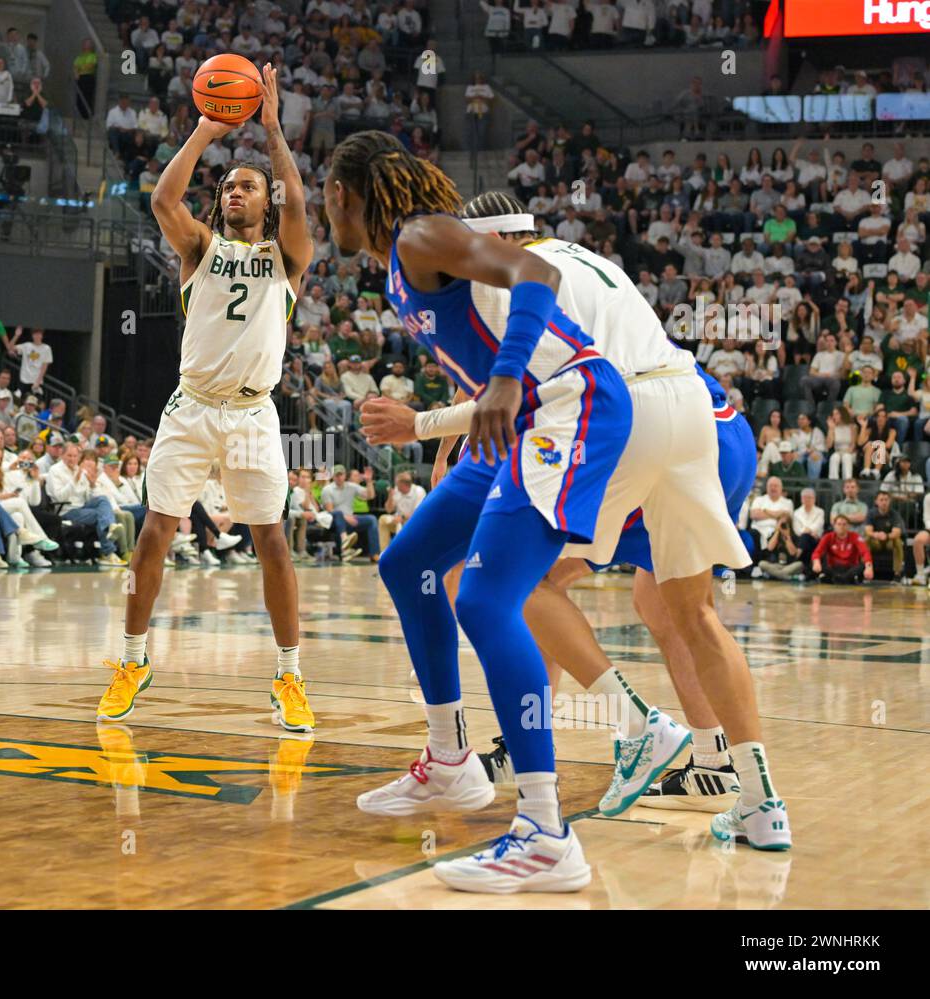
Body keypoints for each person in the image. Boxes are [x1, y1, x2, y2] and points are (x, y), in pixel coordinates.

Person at [365, 189, 790, 854]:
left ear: (486, 242)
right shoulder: (583, 256)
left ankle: (636, 727)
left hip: (627, 417)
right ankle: (757, 799)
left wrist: (422, 425)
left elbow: (536, 390)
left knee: (514, 583)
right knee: (684, 610)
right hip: (701, 412)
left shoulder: (509, 283)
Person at [325, 134, 633, 894]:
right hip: (519, 422)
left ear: (341, 192)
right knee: (409, 562)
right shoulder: (403, 255)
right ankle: (451, 760)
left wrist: (502, 379)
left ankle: (545, 831)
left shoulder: (421, 234)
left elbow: (537, 270)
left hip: (567, 404)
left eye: (325, 190)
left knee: (488, 600)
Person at [96, 65, 315, 733]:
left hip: (253, 413)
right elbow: (165, 199)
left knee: (272, 540)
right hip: (191, 407)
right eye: (227, 187)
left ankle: (289, 675)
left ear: (266, 201)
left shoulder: (288, 256)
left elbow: (299, 207)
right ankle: (132, 661)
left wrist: (273, 132)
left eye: (247, 186)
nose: (233, 193)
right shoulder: (198, 247)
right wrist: (203, 131)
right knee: (154, 533)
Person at [812, 515, 874, 584]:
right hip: (833, 568)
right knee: (816, 563)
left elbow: (865, 552)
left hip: (850, 568)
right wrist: (816, 562)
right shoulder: (828, 537)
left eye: (844, 524)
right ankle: (842, 579)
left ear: (849, 526)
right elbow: (817, 552)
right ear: (834, 526)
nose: (841, 527)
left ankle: (838, 579)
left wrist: (869, 567)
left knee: (862, 566)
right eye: (839, 524)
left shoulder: (855, 536)